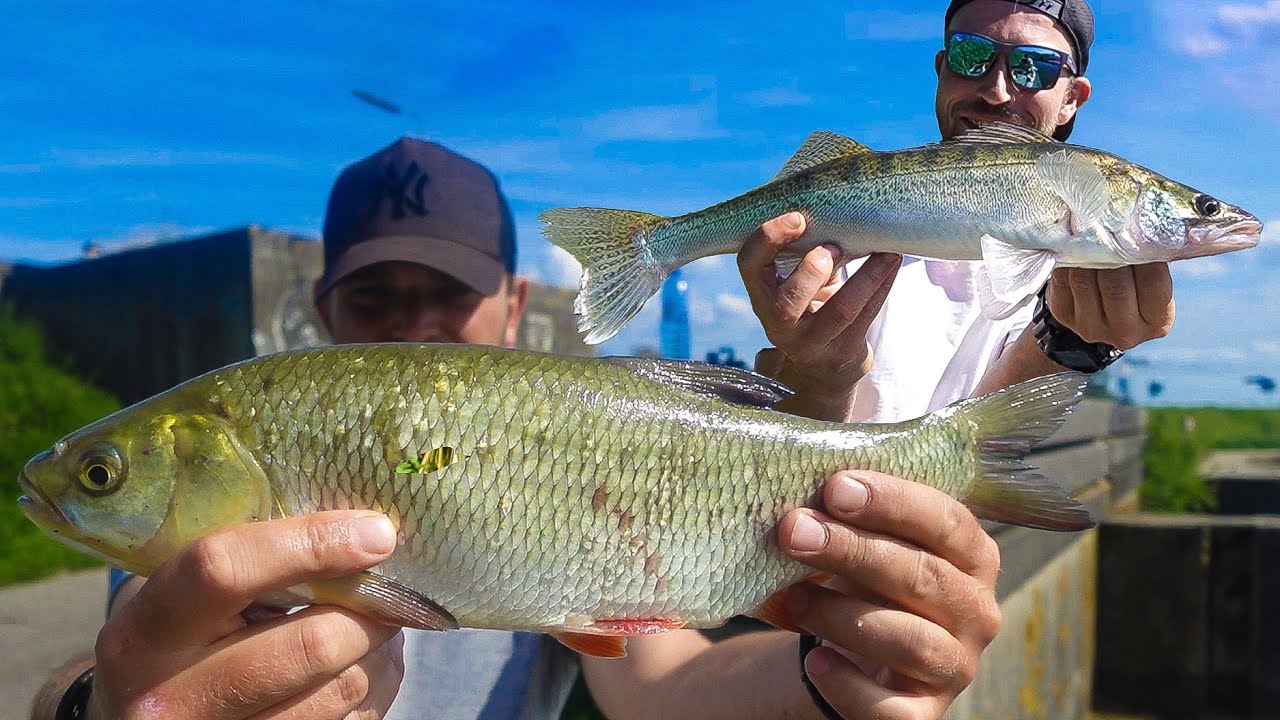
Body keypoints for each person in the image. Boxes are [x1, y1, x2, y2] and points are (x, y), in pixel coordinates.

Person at [33, 140, 1001, 720]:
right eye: (375, 299)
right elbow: (111, 653)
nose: (414, 329)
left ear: (514, 305)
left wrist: (837, 681)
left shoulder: (588, 444)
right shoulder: (209, 514)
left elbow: (669, 687)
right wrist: (100, 705)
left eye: (446, 297)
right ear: (323, 310)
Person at [742, 0, 1173, 426]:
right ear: (942, 69)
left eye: (1034, 67)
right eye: (970, 54)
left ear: (1071, 99)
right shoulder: (833, 244)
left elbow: (986, 455)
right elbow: (775, 450)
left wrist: (1068, 343)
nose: (997, 91)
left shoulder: (1076, 276)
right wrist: (818, 379)